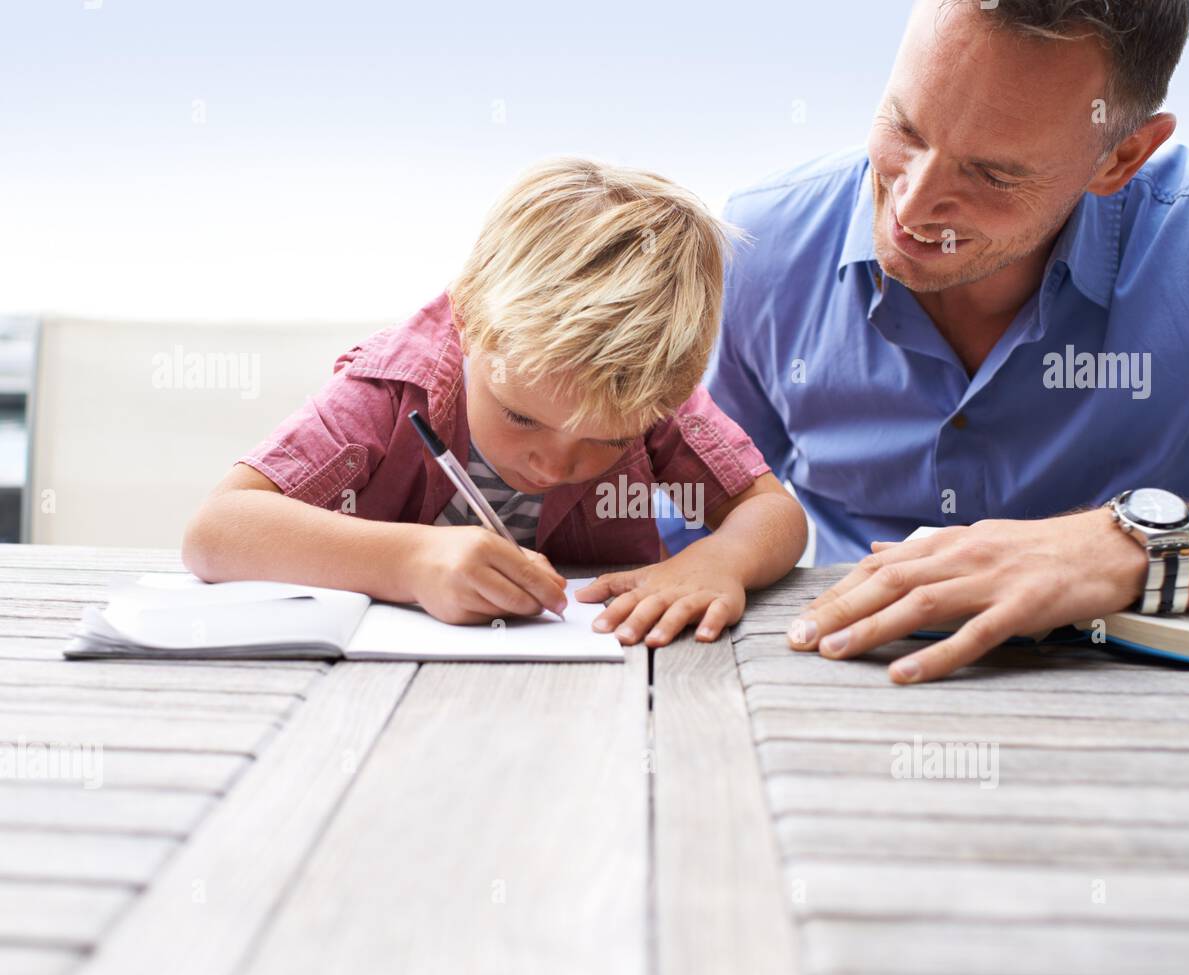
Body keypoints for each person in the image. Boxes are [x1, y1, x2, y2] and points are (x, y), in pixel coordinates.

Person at [697, 0, 1189, 683]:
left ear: (1121, 156)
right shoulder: (758, 245)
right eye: (904, 128)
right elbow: (687, 512)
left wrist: (1115, 548)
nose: (912, 206)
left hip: (1132, 720)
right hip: (811, 676)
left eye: (991, 174)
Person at [182, 159, 807, 647]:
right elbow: (218, 532)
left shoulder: (643, 383)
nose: (556, 466)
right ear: (468, 320)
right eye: (521, 416)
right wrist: (410, 561)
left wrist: (719, 560)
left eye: (611, 441)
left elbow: (773, 513)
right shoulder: (395, 386)